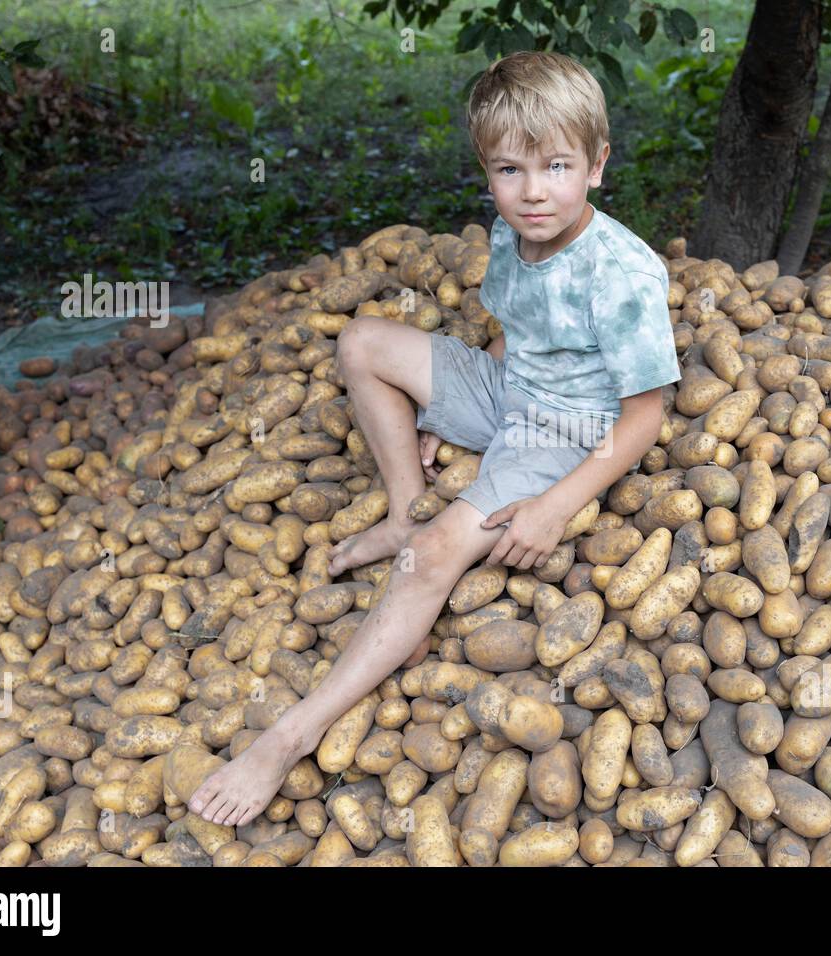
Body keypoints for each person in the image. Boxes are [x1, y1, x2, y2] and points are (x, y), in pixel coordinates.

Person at [189, 50, 682, 828]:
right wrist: (443, 406)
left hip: (570, 432)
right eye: (510, 171)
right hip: (510, 393)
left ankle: (291, 734)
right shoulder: (510, 234)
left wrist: (554, 505)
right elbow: (517, 336)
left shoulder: (622, 273)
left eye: (556, 166)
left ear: (597, 166)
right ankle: (401, 506)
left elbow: (645, 416)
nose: (533, 191)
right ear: (488, 174)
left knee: (434, 558)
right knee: (360, 344)